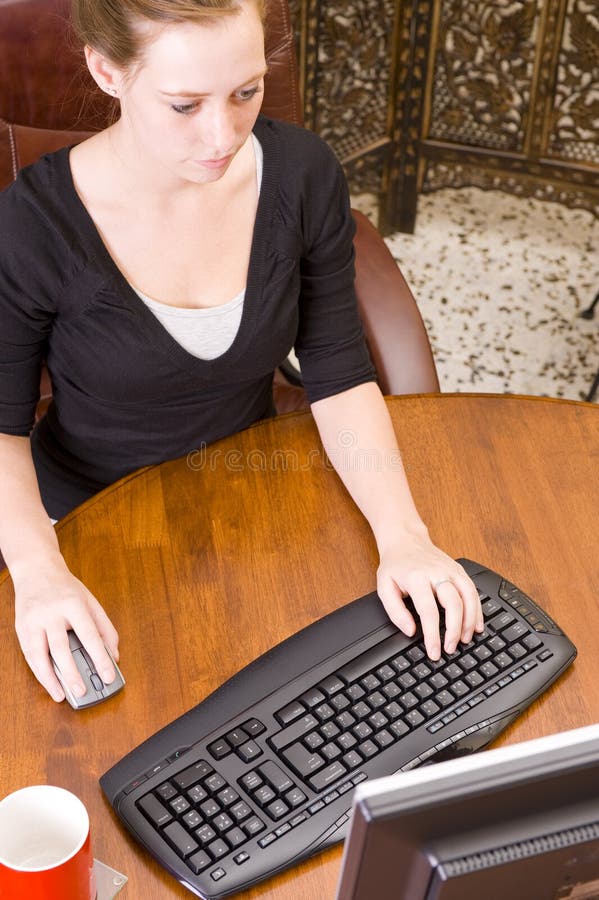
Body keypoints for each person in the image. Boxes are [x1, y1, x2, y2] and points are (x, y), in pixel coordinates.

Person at [0, 0, 484, 704]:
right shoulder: (32, 224)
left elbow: (340, 377)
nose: (223, 135)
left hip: (248, 492)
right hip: (88, 523)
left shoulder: (302, 174)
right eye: (184, 105)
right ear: (106, 72)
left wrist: (404, 535)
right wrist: (39, 574)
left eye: (246, 91)